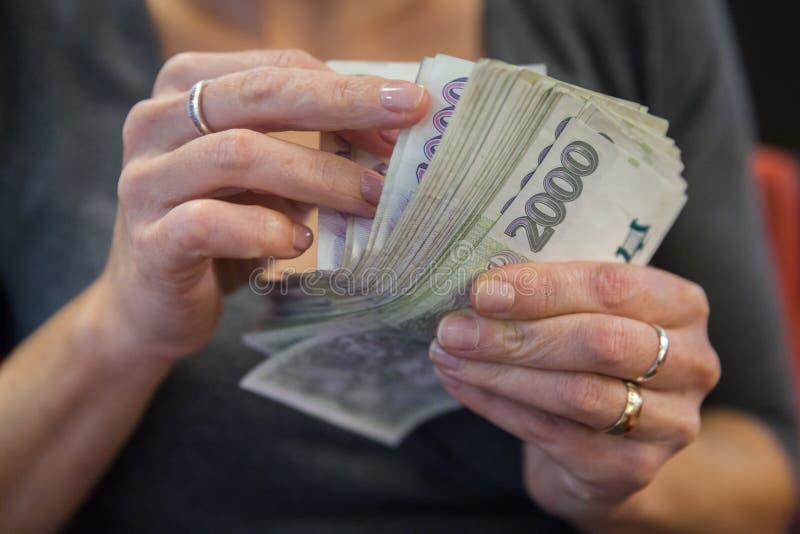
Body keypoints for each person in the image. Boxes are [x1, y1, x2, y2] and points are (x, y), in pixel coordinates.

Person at [0, 0, 796, 532]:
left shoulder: (630, 16)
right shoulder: (34, 39)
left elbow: (771, 461)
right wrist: (119, 329)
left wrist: (612, 486)